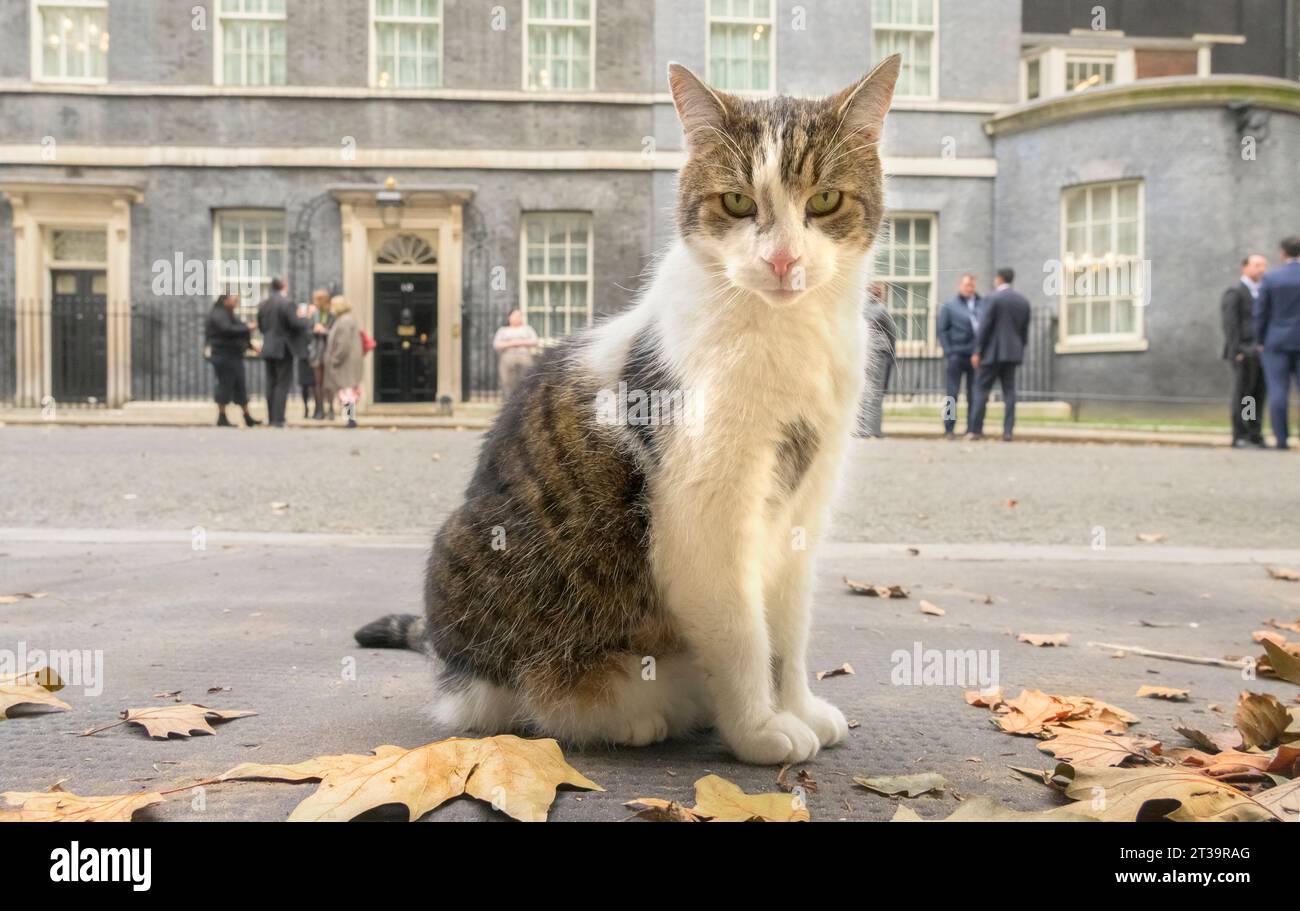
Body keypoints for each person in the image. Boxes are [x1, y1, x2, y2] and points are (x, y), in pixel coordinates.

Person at [968, 268, 1030, 442]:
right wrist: (1019, 348)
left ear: (999, 279)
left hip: (991, 354)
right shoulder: (1022, 301)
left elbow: (984, 327)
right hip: (1012, 354)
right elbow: (1024, 331)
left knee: (981, 390)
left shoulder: (992, 298)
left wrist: (977, 350)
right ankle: (1008, 431)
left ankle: (975, 430)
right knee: (1009, 392)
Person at [1254, 235, 1300, 449]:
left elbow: (1260, 313)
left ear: (1283, 253)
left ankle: (1282, 439)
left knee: (1278, 392)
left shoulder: (1272, 279)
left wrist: (1260, 340)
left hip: (1276, 341)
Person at [1222, 254, 1269, 448]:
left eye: (1264, 265)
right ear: (1245, 267)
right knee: (1245, 395)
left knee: (1258, 394)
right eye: (1257, 265)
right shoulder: (1235, 293)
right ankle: (1240, 434)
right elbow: (1230, 325)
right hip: (1243, 352)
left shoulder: (1264, 292)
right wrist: (1237, 350)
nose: (1261, 269)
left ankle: (1254, 433)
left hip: (1261, 352)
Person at [257, 278, 312, 428]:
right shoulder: (287, 303)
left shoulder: (263, 304)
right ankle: (279, 419)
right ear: (283, 286)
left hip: (267, 346)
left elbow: (261, 327)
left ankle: (271, 418)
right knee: (282, 383)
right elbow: (295, 324)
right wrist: (306, 318)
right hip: (283, 348)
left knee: (271, 383)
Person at [205, 292, 261, 428]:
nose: (236, 302)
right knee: (225, 385)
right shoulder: (218, 314)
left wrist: (250, 345)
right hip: (223, 355)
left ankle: (247, 416)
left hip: (234, 355)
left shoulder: (228, 314)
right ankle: (222, 417)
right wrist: (247, 327)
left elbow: (238, 331)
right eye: (234, 299)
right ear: (225, 300)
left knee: (239, 385)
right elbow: (228, 330)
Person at [936, 273, 982, 439]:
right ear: (960, 286)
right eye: (966, 285)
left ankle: (971, 428)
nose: (969, 288)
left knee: (974, 394)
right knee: (952, 394)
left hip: (975, 356)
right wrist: (949, 351)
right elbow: (942, 330)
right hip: (956, 354)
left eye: (972, 286)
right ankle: (949, 428)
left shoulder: (981, 304)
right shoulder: (950, 305)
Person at [861, 282, 896, 437]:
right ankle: (875, 430)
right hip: (879, 354)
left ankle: (862, 430)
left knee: (862, 392)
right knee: (876, 393)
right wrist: (893, 354)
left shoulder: (860, 309)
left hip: (861, 353)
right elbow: (891, 333)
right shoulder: (881, 310)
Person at [325, 295, 364, 429]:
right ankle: (350, 418)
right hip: (349, 360)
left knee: (347, 391)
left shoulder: (344, 321)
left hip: (346, 362)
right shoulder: (347, 320)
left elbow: (343, 344)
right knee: (349, 391)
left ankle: (350, 419)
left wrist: (335, 359)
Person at [493, 309, 539, 401]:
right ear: (509, 317)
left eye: (519, 315)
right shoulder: (503, 330)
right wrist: (515, 343)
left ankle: (524, 402)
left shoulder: (527, 329)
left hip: (524, 357)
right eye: (515, 315)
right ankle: (508, 403)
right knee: (507, 382)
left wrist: (513, 342)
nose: (517, 318)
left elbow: (534, 341)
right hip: (507, 357)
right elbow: (496, 344)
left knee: (525, 380)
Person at [307, 288, 333, 420]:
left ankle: (334, 410)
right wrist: (314, 329)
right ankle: (320, 410)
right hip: (317, 352)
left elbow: (336, 334)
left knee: (330, 384)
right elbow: (307, 332)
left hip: (329, 352)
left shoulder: (333, 314)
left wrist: (324, 331)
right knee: (318, 383)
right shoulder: (313, 314)